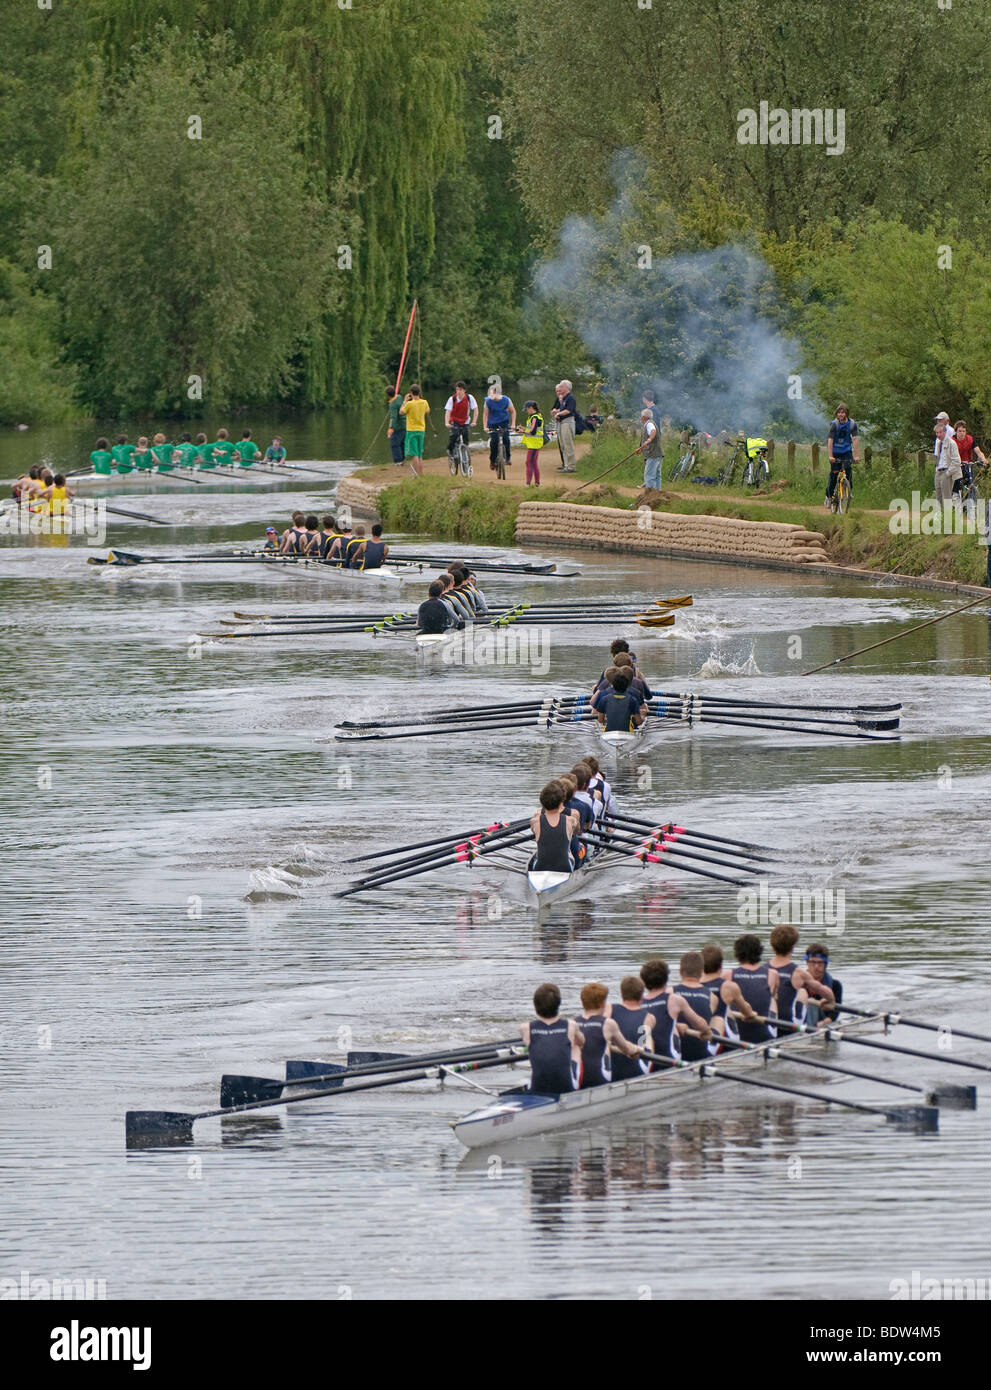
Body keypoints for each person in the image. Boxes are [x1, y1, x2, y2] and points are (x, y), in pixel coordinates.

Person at [641, 958, 715, 1064]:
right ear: (666, 979)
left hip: (647, 1062)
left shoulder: (638, 1003)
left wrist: (675, 1025)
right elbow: (700, 1024)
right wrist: (706, 1032)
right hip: (669, 1062)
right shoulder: (673, 999)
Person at [521, 984, 584, 1095]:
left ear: (535, 1005)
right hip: (566, 1087)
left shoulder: (525, 1028)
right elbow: (582, 1042)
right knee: (576, 1047)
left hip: (537, 1088)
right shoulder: (571, 1025)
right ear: (558, 1005)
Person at [576, 983, 643, 1088]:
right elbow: (626, 1049)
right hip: (598, 1079)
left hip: (578, 1079)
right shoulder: (608, 1023)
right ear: (603, 1003)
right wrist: (638, 1049)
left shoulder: (572, 1023)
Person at [768, 924, 836, 1025]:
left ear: (772, 947)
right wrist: (830, 1001)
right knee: (802, 992)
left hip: (767, 1025)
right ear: (792, 947)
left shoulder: (763, 970)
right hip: (788, 1028)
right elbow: (826, 992)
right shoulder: (799, 973)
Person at [731, 934, 779, 1042]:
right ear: (759, 952)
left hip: (739, 1034)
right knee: (772, 999)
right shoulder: (772, 974)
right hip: (765, 1034)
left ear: (738, 954)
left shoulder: (728, 975)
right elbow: (774, 996)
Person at [530, 780, 580, 873]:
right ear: (561, 802)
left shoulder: (534, 821)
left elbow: (536, 833)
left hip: (540, 867)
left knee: (537, 853)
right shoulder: (571, 820)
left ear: (542, 802)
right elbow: (577, 832)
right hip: (565, 867)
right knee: (570, 852)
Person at [826, 403, 858, 509]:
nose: (840, 414)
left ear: (846, 413)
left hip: (846, 451)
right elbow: (830, 440)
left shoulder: (852, 424)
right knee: (834, 475)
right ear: (836, 413)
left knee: (848, 469)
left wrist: (856, 455)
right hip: (835, 451)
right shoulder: (834, 424)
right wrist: (830, 456)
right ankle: (829, 496)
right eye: (839, 412)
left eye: (843, 412)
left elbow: (855, 439)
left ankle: (848, 490)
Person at [804, 943, 843, 1021]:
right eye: (813, 962)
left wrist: (821, 1024)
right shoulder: (798, 982)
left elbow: (834, 1013)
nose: (816, 967)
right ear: (807, 963)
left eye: (820, 963)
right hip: (802, 1020)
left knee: (812, 1005)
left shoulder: (835, 985)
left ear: (825, 964)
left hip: (822, 1022)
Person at [483, 384, 516, 471]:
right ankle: (492, 460)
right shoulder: (488, 401)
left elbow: (513, 412)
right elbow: (485, 414)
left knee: (506, 439)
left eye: (492, 393)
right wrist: (485, 426)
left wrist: (513, 424)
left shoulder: (506, 400)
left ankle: (508, 457)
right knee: (493, 442)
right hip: (492, 423)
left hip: (504, 422)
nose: (491, 396)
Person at [444, 381, 478, 460]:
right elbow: (448, 412)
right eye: (457, 389)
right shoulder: (452, 399)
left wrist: (474, 421)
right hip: (454, 421)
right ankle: (450, 449)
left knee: (465, 437)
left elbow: (475, 409)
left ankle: (465, 454)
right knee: (454, 434)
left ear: (464, 390)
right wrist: (447, 422)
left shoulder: (469, 398)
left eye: (460, 389)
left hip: (465, 421)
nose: (458, 391)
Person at [552, 380, 578, 473]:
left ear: (566, 388)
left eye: (562, 387)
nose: (560, 388)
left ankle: (571, 466)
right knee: (563, 445)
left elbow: (568, 411)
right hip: (561, 423)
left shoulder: (570, 398)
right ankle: (566, 465)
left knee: (568, 445)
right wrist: (557, 411)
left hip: (567, 423)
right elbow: (563, 409)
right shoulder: (563, 398)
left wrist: (558, 413)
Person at [400, 384, 430, 461]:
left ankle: (416, 473)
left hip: (411, 431)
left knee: (414, 454)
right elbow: (428, 411)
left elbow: (401, 412)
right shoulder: (424, 402)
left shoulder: (409, 404)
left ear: (411, 393)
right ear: (419, 392)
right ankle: (420, 473)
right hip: (421, 430)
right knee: (420, 454)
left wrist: (405, 401)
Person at [934, 423, 962, 504]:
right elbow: (938, 458)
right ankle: (940, 515)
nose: (938, 434)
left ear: (945, 432)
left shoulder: (951, 443)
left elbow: (957, 461)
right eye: (937, 433)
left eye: (940, 432)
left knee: (946, 497)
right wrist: (937, 469)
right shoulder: (939, 443)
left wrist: (948, 473)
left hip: (947, 471)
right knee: (938, 496)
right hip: (939, 471)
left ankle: (948, 515)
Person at [637, 407, 663, 491]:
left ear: (643, 417)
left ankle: (650, 496)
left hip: (653, 454)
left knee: (649, 476)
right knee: (656, 476)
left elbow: (653, 431)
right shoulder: (650, 423)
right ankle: (658, 495)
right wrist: (641, 449)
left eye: (641, 416)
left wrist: (649, 440)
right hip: (657, 453)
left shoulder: (649, 424)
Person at [521, 400, 545, 486]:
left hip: (534, 444)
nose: (526, 411)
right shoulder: (536, 416)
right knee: (533, 463)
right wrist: (523, 429)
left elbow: (533, 432)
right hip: (534, 443)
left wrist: (522, 432)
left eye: (526, 409)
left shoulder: (534, 417)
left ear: (531, 408)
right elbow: (532, 429)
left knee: (528, 462)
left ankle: (528, 483)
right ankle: (537, 483)